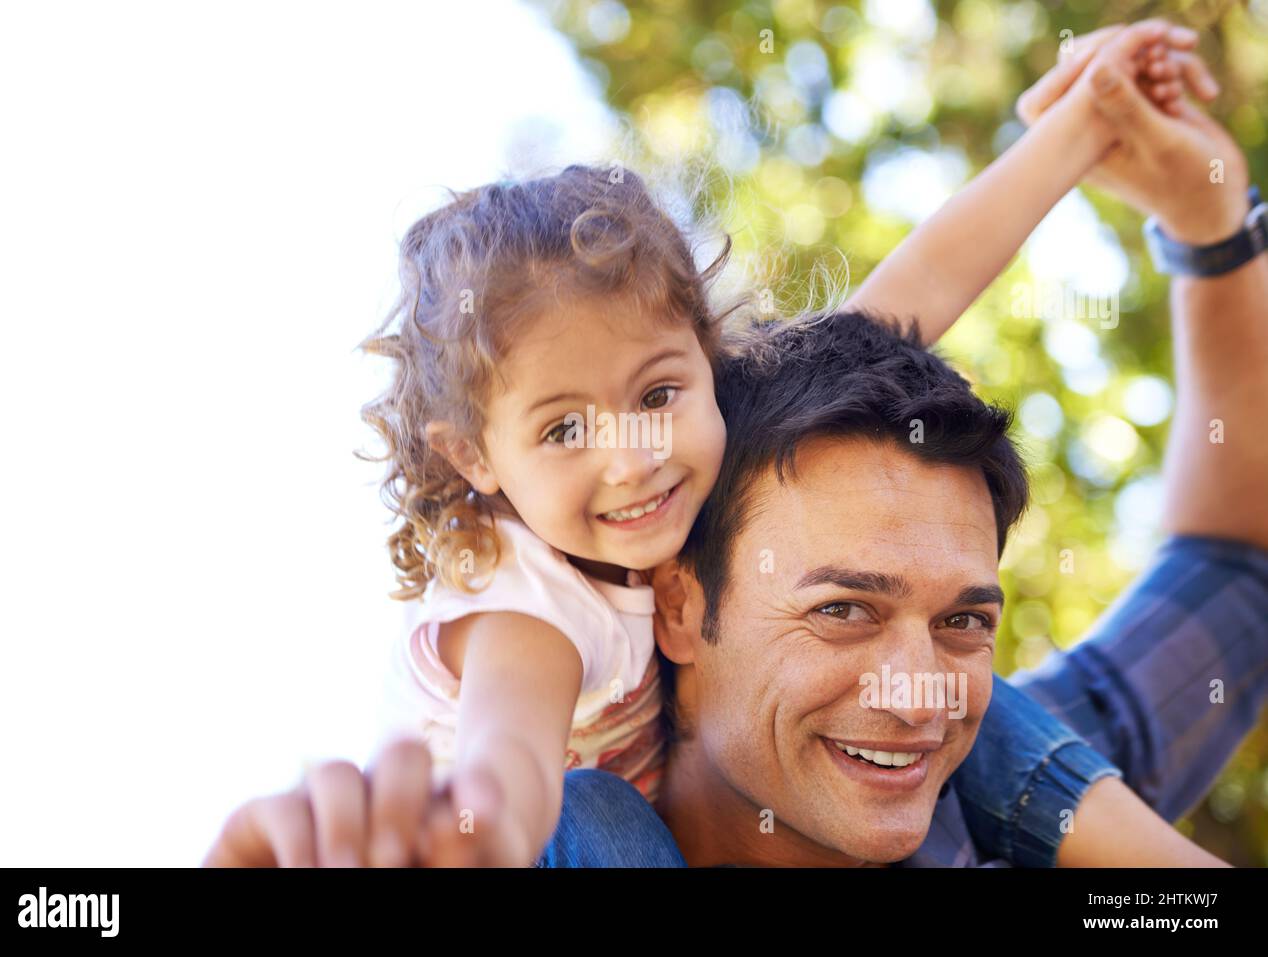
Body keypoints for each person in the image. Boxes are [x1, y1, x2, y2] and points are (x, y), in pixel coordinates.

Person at [202, 20, 1252, 867]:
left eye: (967, 617)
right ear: (679, 610)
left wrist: (1106, 143)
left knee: (996, 713)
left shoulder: (722, 448)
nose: (631, 457)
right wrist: (447, 840)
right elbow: (504, 781)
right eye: (841, 608)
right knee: (595, 810)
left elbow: (924, 292)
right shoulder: (529, 610)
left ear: (701, 360)